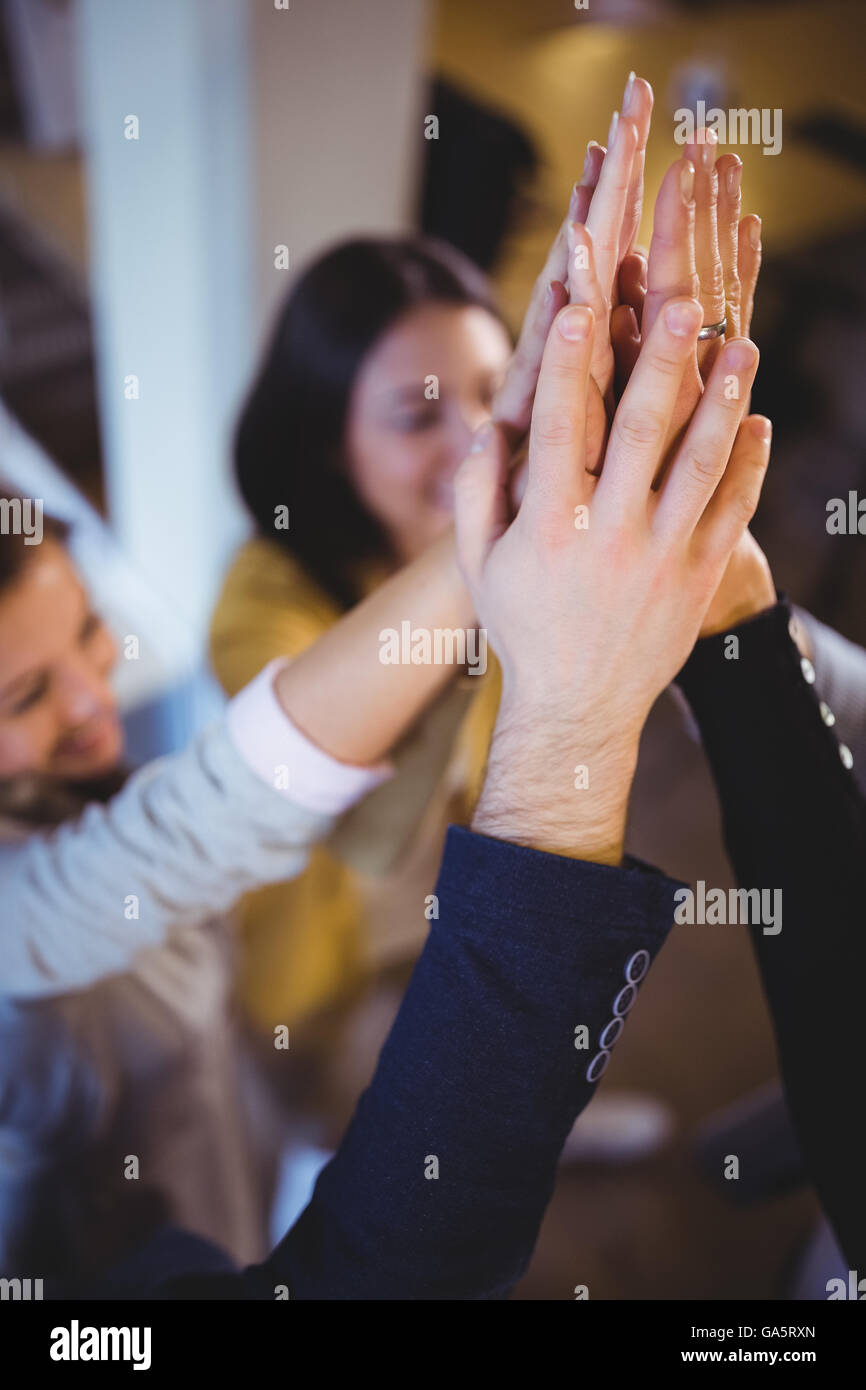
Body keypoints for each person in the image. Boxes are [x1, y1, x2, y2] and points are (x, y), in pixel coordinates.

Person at [51, 279, 817, 1300]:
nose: (472, 441)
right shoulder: (262, 603)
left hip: (454, 899)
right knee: (338, 1131)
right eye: (417, 415)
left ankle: (557, 1121)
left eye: (497, 392)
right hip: (312, 967)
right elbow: (369, 836)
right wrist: (500, 599)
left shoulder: (534, 547)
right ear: (330, 444)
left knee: (505, 1046)